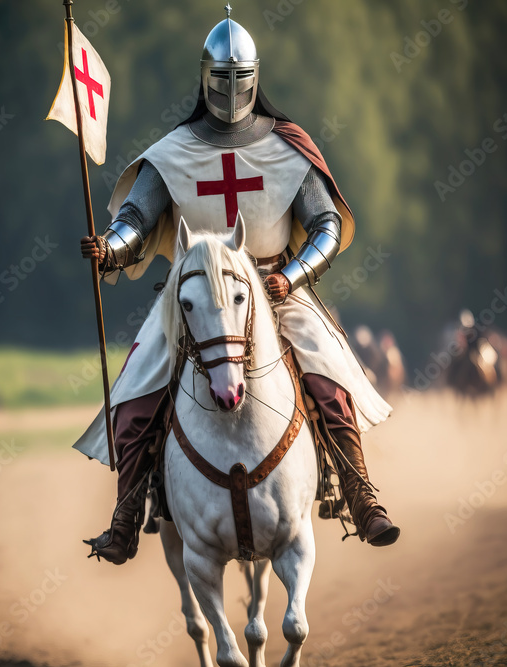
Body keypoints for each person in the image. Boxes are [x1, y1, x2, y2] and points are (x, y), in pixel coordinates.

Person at [74, 6, 399, 565]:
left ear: (255, 77)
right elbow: (136, 221)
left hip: (275, 288)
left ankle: (357, 490)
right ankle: (127, 511)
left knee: (331, 379)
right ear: (204, 78)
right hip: (194, 297)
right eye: (220, 79)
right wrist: (111, 248)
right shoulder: (173, 151)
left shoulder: (285, 146)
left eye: (238, 77)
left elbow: (325, 226)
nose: (229, 89)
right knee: (131, 398)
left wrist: (289, 276)